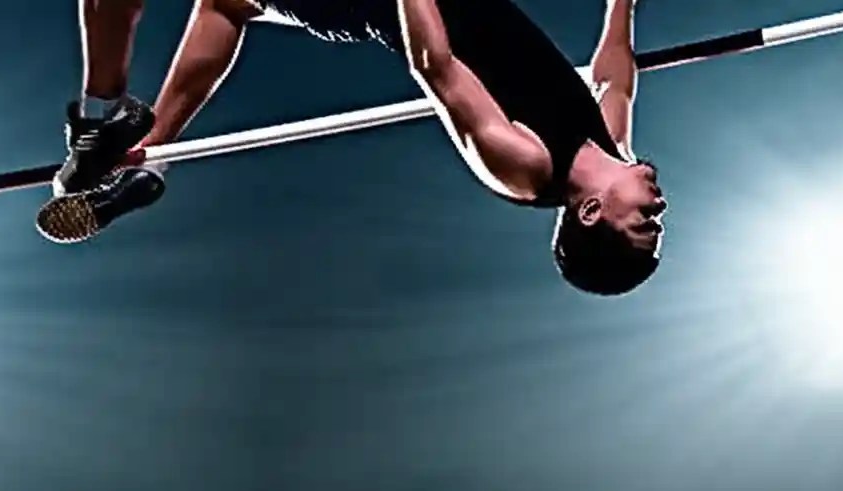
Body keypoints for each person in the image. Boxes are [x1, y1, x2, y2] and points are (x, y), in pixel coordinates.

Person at [42, 0, 669, 296]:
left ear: (590, 212)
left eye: (645, 223)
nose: (659, 208)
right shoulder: (611, 142)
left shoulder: (528, 169)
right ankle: (143, 152)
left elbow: (437, 65)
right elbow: (615, 73)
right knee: (226, 3)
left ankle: (107, 124)